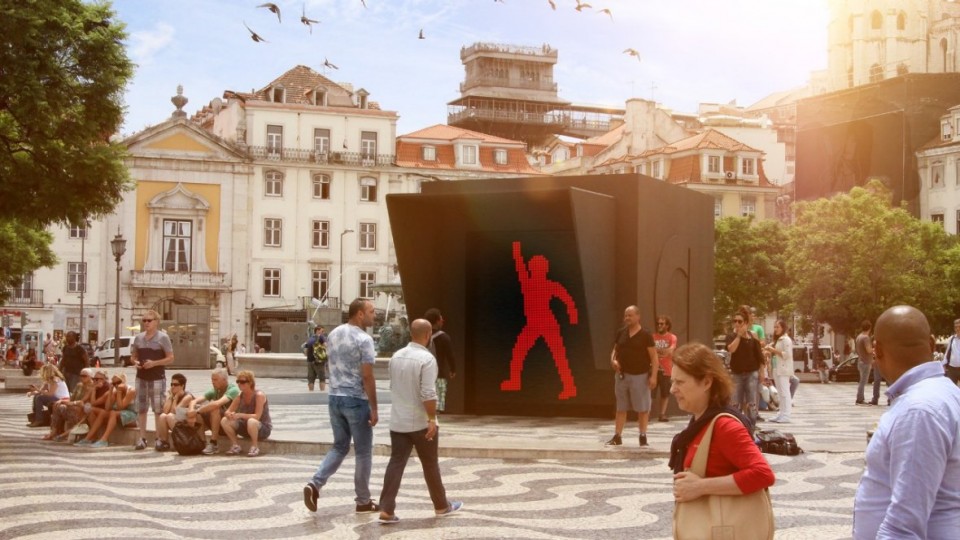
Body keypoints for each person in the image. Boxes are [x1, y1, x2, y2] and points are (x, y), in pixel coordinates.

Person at [853, 305, 960, 539]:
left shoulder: (919, 410)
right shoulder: (943, 392)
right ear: (931, 344)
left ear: (877, 351)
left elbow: (904, 525)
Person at [377, 319, 463, 524]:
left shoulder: (395, 357)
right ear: (428, 335)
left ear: (410, 334)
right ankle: (441, 506)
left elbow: (393, 386)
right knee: (430, 464)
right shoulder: (427, 359)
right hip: (420, 422)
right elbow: (428, 393)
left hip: (398, 420)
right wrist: (432, 418)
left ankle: (386, 509)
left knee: (396, 463)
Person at [669, 343, 775, 503]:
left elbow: (762, 474)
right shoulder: (700, 422)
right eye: (672, 381)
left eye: (680, 382)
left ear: (706, 382)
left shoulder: (724, 426)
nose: (672, 389)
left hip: (723, 525)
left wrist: (701, 487)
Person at [303, 298, 380, 514]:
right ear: (360, 314)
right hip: (355, 399)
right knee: (363, 451)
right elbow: (367, 375)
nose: (375, 315)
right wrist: (374, 407)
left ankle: (315, 484)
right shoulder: (364, 339)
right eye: (372, 311)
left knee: (339, 446)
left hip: (334, 397)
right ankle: (363, 501)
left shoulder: (334, 333)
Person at [501, 241, 579, 400]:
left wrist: (573, 314)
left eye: (537, 267)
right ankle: (515, 381)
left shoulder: (548, 285)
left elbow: (567, 299)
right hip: (534, 324)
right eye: (533, 267)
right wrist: (516, 253)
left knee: (558, 355)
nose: (535, 270)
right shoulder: (528, 283)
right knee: (519, 351)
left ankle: (569, 386)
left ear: (543, 269)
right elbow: (520, 267)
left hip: (547, 322)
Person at [605, 305, 658, 447]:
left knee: (642, 408)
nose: (627, 318)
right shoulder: (621, 332)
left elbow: (654, 357)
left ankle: (642, 436)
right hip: (622, 376)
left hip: (640, 376)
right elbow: (615, 350)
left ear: (638, 316)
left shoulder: (646, 335)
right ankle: (617, 436)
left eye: (630, 315)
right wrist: (613, 360)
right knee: (621, 407)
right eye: (626, 315)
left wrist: (653, 377)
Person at [130, 310, 175, 450]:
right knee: (141, 408)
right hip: (141, 376)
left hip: (157, 377)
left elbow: (170, 358)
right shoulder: (138, 338)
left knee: (157, 409)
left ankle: (158, 438)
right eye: (144, 320)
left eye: (149, 320)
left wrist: (154, 363)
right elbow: (133, 356)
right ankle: (142, 438)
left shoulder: (163, 338)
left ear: (156, 321)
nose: (146, 323)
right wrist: (135, 362)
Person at [75, 372, 138, 448]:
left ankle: (104, 439)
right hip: (119, 414)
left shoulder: (131, 391)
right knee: (99, 412)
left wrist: (118, 392)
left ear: (123, 382)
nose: (116, 385)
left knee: (113, 413)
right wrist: (111, 391)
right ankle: (89, 438)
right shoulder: (114, 391)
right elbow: (107, 407)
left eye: (118, 382)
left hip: (133, 417)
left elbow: (120, 407)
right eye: (114, 383)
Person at [725, 306, 764, 426]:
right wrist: (739, 336)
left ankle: (751, 426)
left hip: (752, 373)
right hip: (737, 373)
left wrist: (761, 371)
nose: (737, 324)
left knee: (751, 402)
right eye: (734, 321)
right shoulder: (731, 336)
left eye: (740, 321)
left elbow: (759, 355)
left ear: (746, 323)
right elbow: (731, 349)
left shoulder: (753, 336)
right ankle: (736, 426)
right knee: (735, 402)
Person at [188, 367, 240, 455]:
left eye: (215, 379)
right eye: (212, 379)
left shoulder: (233, 390)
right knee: (199, 414)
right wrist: (192, 411)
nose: (213, 382)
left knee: (214, 409)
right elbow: (194, 401)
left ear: (224, 380)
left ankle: (213, 443)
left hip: (229, 424)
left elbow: (217, 404)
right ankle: (203, 442)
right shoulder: (215, 390)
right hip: (217, 423)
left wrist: (197, 411)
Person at [221, 370, 272, 457]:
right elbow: (227, 411)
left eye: (243, 382)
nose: (239, 384)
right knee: (225, 420)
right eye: (238, 382)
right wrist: (229, 414)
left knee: (251, 421)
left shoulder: (259, 395)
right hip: (246, 426)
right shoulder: (239, 396)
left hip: (262, 428)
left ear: (250, 383)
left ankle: (255, 446)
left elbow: (257, 416)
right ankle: (235, 445)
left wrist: (239, 415)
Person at [44, 367, 95, 441]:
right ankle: (54, 432)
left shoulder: (92, 387)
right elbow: (71, 398)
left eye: (84, 376)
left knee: (63, 407)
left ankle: (59, 433)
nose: (82, 378)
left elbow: (83, 402)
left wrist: (67, 402)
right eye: (81, 376)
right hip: (73, 405)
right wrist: (62, 401)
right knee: (57, 406)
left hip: (83, 408)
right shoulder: (79, 385)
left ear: (90, 377)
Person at [425, 308, 457, 413]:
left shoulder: (422, 336)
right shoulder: (444, 337)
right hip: (439, 375)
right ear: (438, 320)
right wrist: (453, 370)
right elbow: (450, 355)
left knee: (425, 401)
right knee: (439, 405)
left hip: (423, 374)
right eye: (441, 318)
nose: (443, 320)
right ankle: (436, 419)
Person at [764, 319, 794, 423]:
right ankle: (781, 413)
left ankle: (787, 414)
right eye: (775, 327)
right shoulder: (777, 340)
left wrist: (773, 350)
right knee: (780, 392)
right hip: (776, 368)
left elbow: (787, 354)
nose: (775, 329)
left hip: (784, 369)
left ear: (783, 328)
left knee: (785, 392)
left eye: (778, 327)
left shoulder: (786, 340)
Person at [156, 373, 194, 451]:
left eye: (176, 385)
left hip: (187, 425)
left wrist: (176, 398)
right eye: (171, 384)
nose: (173, 387)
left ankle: (181, 441)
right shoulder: (172, 395)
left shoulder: (188, 397)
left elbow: (175, 412)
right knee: (163, 416)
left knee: (170, 416)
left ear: (182, 386)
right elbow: (165, 411)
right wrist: (170, 397)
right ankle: (164, 442)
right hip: (177, 423)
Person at [652, 315, 677, 422]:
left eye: (662, 324)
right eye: (658, 323)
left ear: (667, 325)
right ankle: (646, 413)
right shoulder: (652, 337)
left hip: (666, 369)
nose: (659, 325)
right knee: (650, 393)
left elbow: (670, 350)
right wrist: (661, 351)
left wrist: (658, 350)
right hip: (653, 368)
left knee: (665, 393)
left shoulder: (672, 337)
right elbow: (650, 351)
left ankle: (662, 414)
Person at [855, 319, 881, 405]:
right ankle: (860, 399)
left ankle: (860, 398)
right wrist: (875, 348)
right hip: (866, 362)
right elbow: (868, 350)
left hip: (860, 361)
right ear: (869, 328)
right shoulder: (866, 338)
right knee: (863, 381)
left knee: (861, 381)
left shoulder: (859, 337)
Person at [303, 326, 326, 392]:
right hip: (319, 362)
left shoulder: (310, 339)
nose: (323, 333)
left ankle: (311, 393)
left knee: (311, 379)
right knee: (322, 378)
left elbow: (305, 351)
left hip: (310, 362)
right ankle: (322, 393)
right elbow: (326, 346)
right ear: (317, 331)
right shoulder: (321, 337)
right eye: (322, 331)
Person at [942, 318, 960, 385]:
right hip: (952, 369)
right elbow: (947, 352)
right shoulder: (951, 339)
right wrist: (944, 364)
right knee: (951, 388)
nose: (957, 329)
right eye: (956, 327)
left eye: (959, 327)